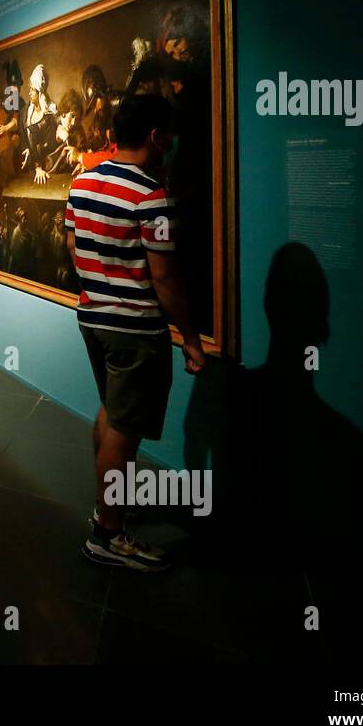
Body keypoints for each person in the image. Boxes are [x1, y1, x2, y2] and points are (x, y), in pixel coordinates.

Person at [64, 93, 205, 570]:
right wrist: (190, 338)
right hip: (134, 327)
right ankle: (108, 534)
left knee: (112, 412)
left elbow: (72, 244)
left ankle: (109, 507)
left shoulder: (82, 182)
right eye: (170, 133)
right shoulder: (150, 195)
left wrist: (99, 284)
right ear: (156, 136)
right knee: (124, 429)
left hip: (92, 317)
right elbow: (163, 277)